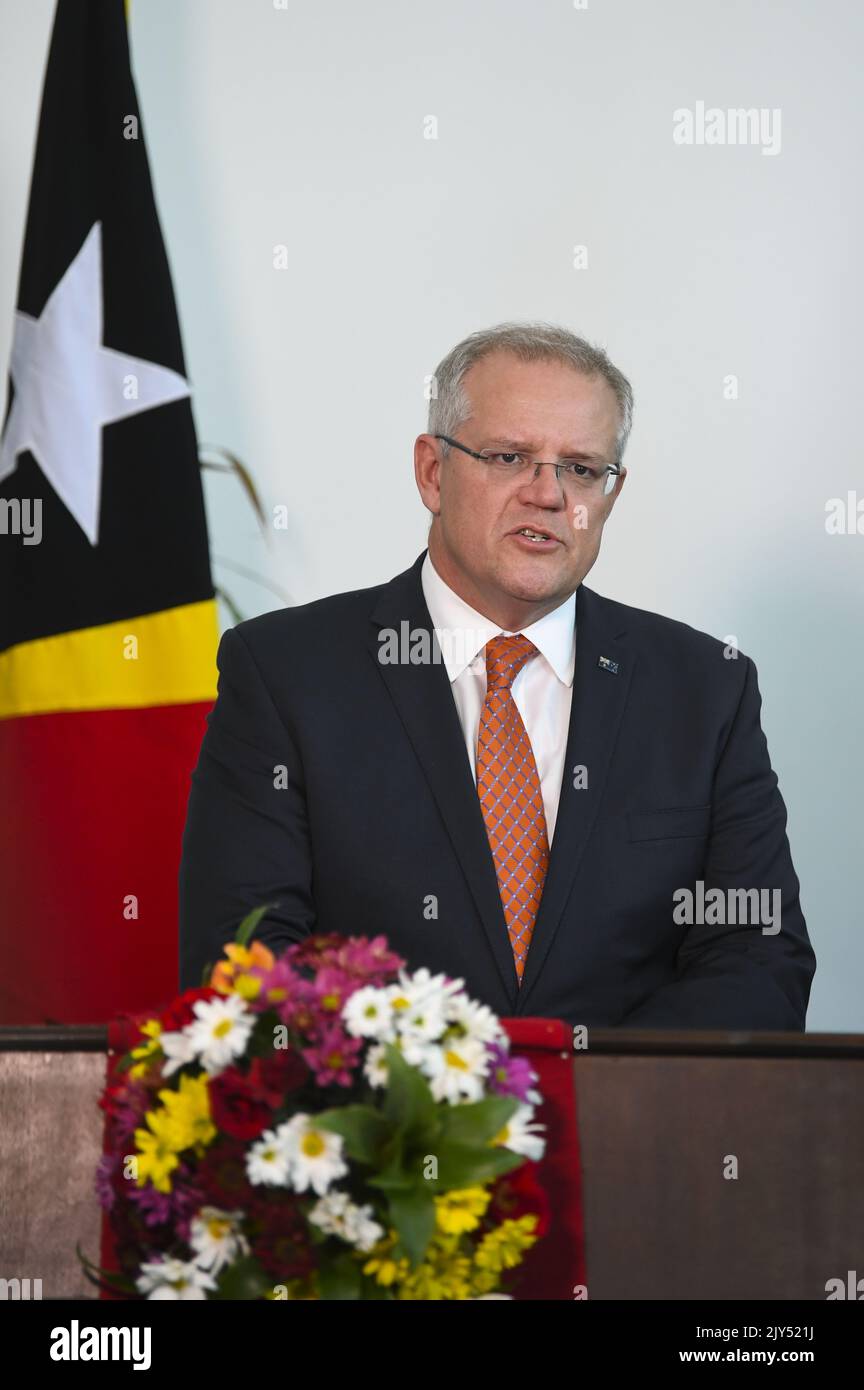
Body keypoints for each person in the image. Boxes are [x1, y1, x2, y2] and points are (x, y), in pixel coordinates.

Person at [179, 321, 816, 1028]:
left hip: (628, 1130)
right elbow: (244, 959)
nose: (546, 494)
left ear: (611, 493)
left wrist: (587, 1103)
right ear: (432, 472)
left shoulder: (704, 689)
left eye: (580, 469)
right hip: (383, 1129)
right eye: (510, 457)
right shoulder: (286, 674)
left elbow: (758, 960)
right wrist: (446, 1109)